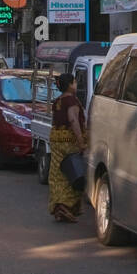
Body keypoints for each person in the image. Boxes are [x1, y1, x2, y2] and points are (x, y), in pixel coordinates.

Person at [48, 72, 86, 223]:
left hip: (56, 140)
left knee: (57, 175)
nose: (76, 85)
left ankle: (59, 208)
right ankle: (66, 207)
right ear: (70, 85)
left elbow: (53, 122)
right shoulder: (71, 101)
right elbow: (73, 120)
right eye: (75, 83)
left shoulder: (57, 101)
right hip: (69, 141)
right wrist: (81, 142)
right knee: (72, 172)